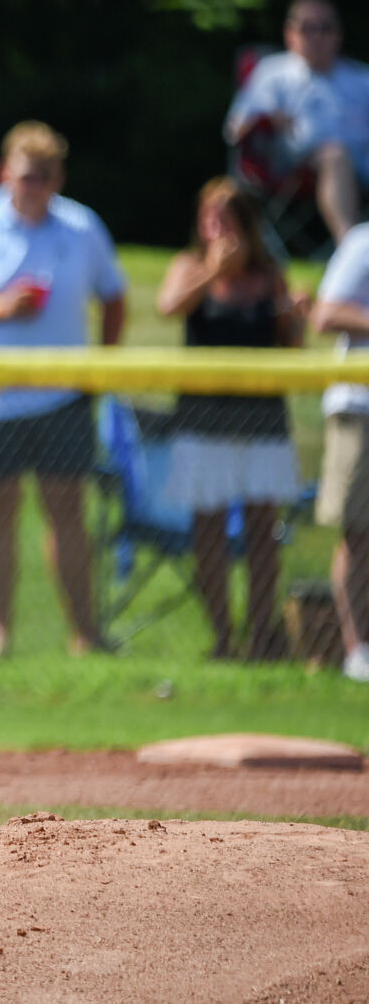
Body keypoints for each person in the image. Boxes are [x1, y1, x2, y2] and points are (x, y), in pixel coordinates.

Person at [0, 121, 126, 660]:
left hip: (60, 396)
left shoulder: (81, 226)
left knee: (67, 512)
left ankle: (86, 636)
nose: (34, 185)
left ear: (59, 177)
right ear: (4, 172)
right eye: (26, 175)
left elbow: (115, 296)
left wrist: (97, 369)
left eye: (45, 176)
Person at [156, 178, 303, 660]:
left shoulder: (268, 274)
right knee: (210, 531)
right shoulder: (189, 266)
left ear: (246, 224)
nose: (217, 228)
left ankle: (263, 635)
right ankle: (222, 636)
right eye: (209, 218)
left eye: (227, 218)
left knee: (264, 530)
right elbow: (169, 306)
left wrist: (295, 314)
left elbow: (291, 345)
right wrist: (211, 273)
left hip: (261, 420)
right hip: (205, 420)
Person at [225, 0, 369, 245]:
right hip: (293, 163)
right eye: (307, 28)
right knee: (336, 155)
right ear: (289, 33)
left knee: (339, 155)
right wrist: (268, 119)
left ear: (338, 34)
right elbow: (235, 129)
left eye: (325, 28)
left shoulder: (361, 78)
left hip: (362, 160)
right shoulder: (273, 73)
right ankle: (350, 249)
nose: (316, 36)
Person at [308, 223, 369, 684]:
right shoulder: (362, 243)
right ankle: (358, 649)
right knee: (358, 530)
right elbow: (324, 313)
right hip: (360, 407)